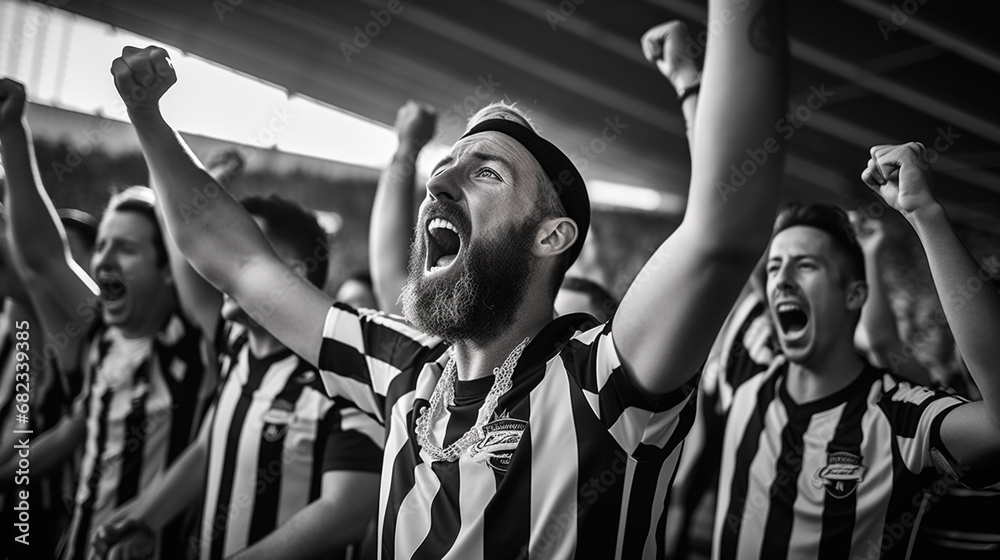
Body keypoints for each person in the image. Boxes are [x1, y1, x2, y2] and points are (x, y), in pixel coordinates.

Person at [109, 0, 788, 555]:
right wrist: (148, 120)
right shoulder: (401, 370)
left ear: (552, 236)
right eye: (447, 165)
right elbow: (237, 259)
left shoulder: (600, 381)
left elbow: (722, 233)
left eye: (486, 172)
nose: (441, 180)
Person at [711, 142, 1000, 559]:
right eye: (775, 267)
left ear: (854, 295)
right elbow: (720, 246)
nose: (782, 280)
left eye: (806, 265)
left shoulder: (899, 414)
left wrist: (924, 215)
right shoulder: (745, 373)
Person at [92, 193, 384, 560]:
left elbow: (346, 513)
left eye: (240, 254)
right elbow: (207, 447)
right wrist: (147, 518)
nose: (222, 266)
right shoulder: (237, 346)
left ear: (293, 274)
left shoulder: (344, 374)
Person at [0, 77, 217, 560]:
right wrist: (12, 131)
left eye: (126, 247)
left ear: (167, 270)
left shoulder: (197, 346)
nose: (103, 261)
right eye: (101, 247)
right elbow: (40, 256)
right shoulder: (96, 333)